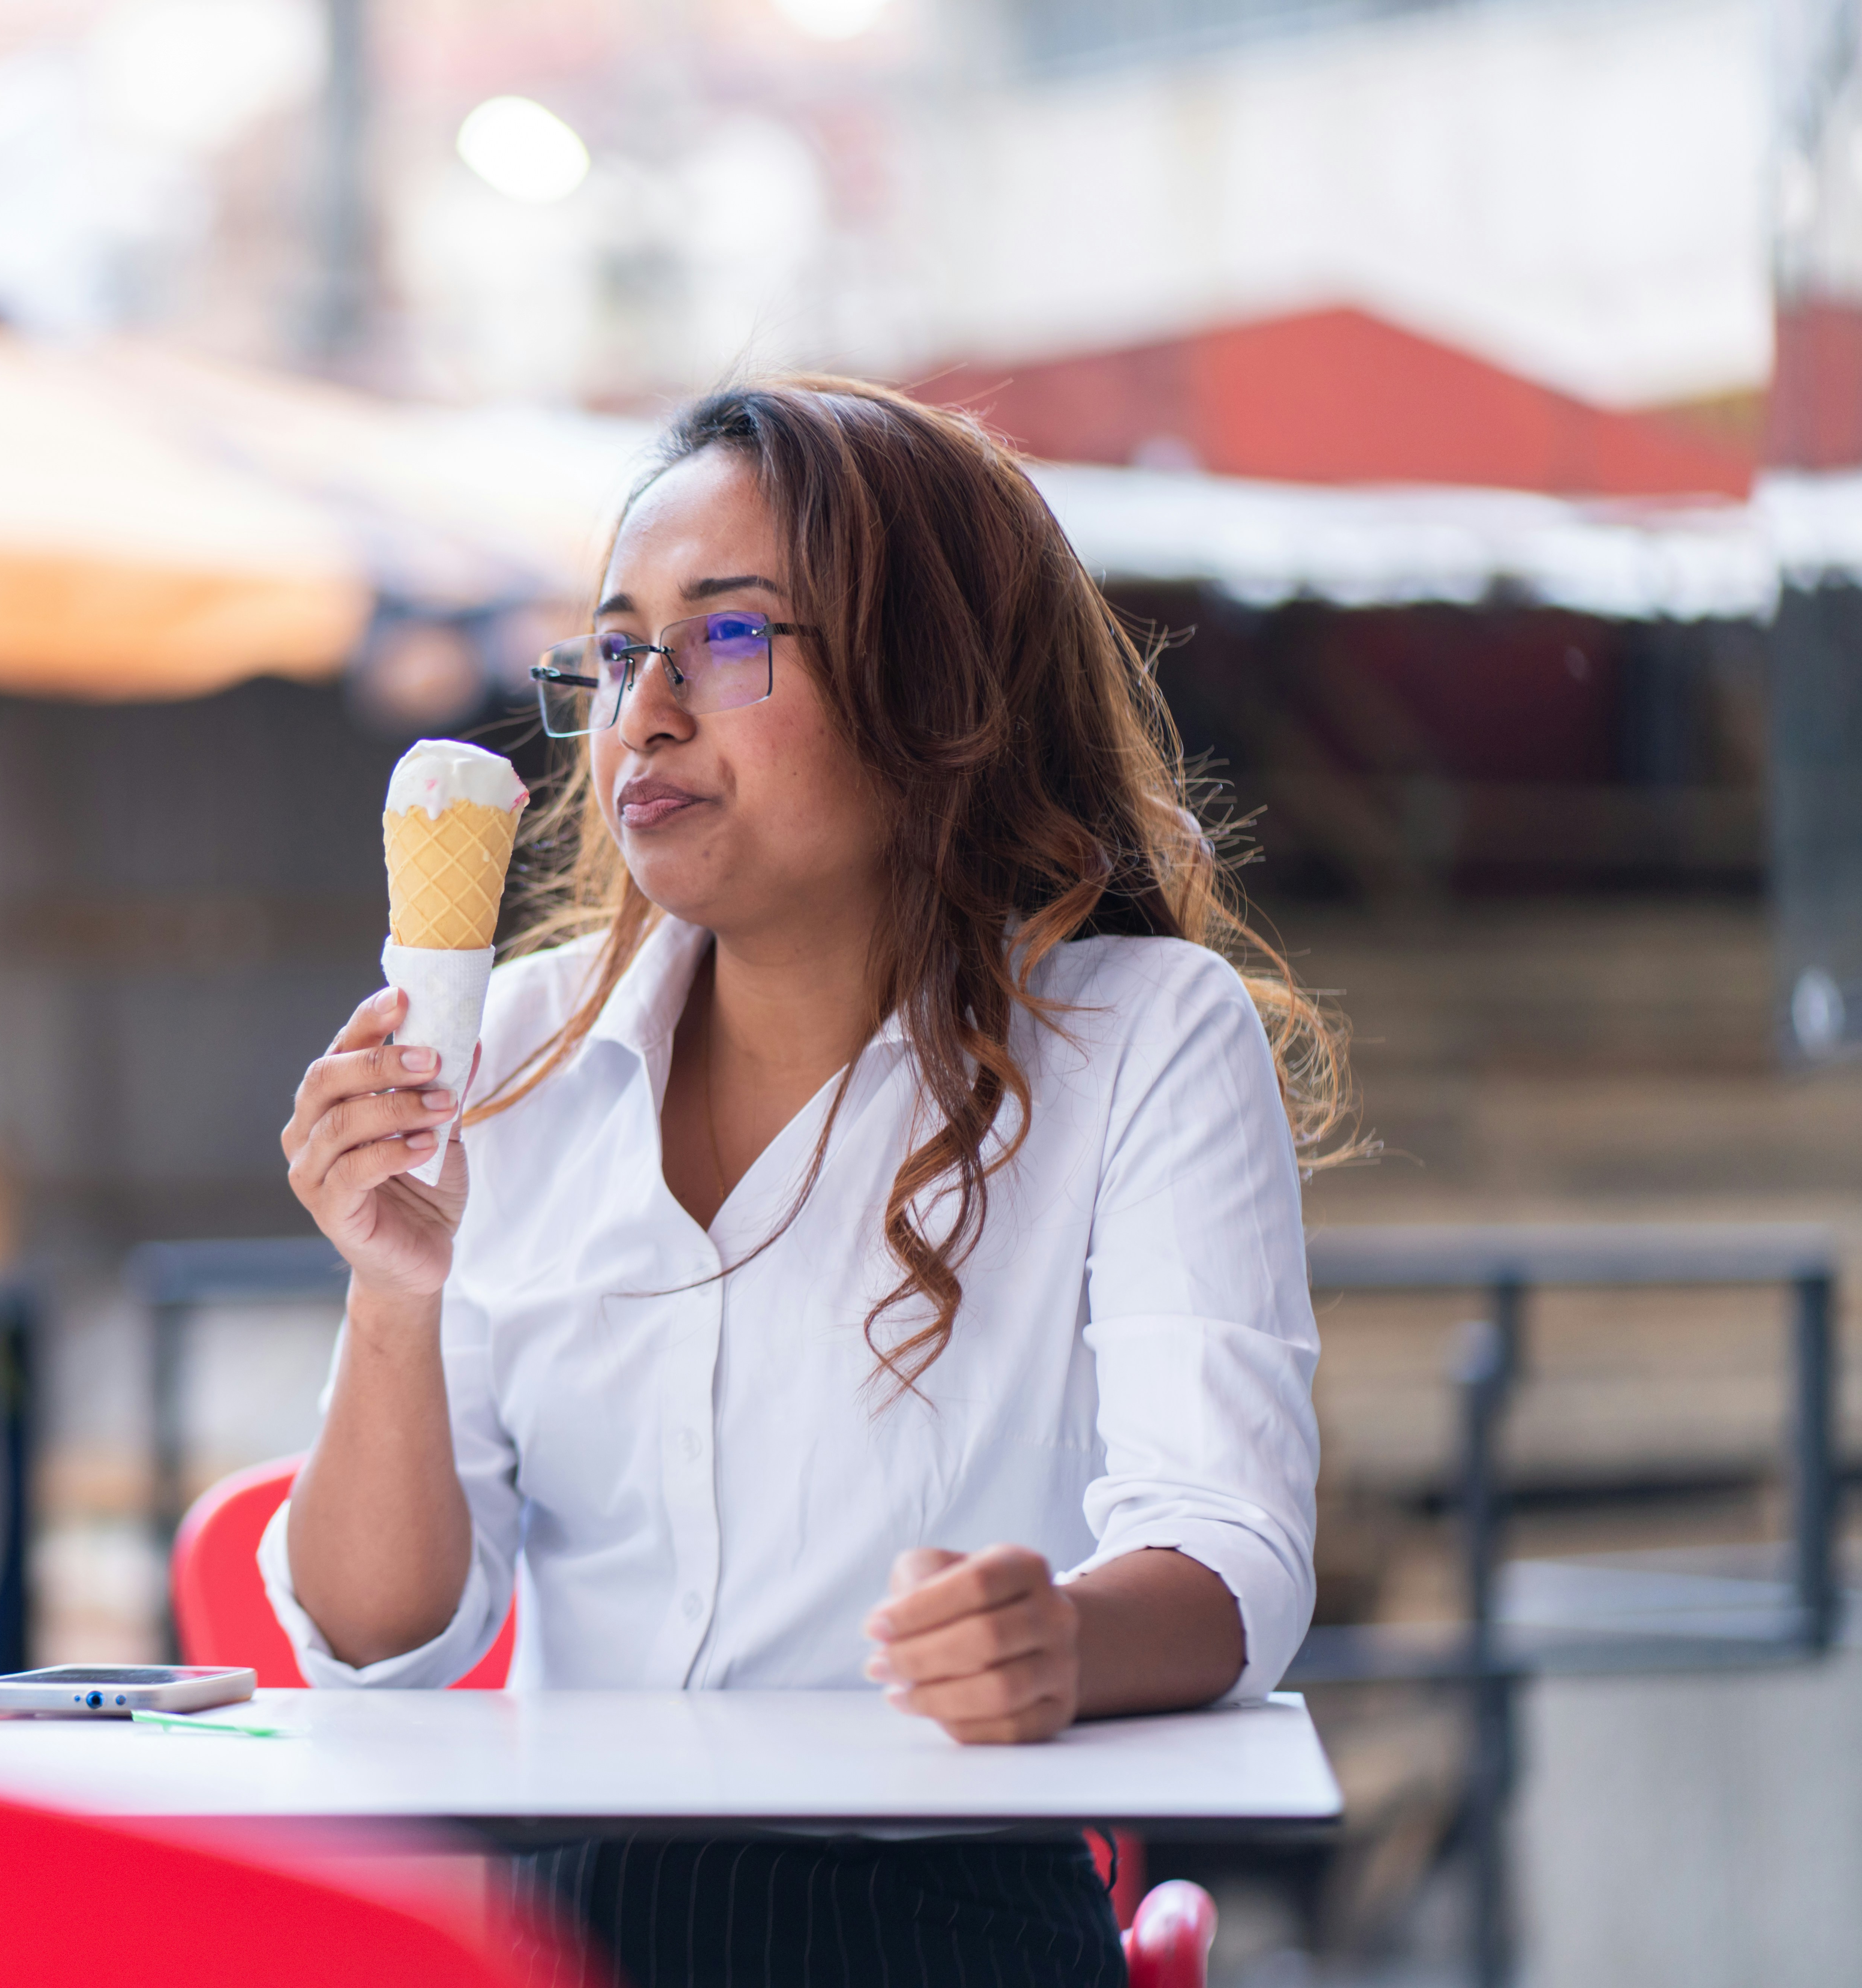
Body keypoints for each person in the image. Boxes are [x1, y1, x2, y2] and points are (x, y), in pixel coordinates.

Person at [268, 378, 1353, 1986]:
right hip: (548, 1927)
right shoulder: (511, 1043)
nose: (644, 711)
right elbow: (376, 1655)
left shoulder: (1139, 1037)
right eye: (622, 650)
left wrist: (1061, 1643)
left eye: (728, 637)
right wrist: (391, 1287)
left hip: (932, 1921)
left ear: (934, 686)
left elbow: (1230, 1547)